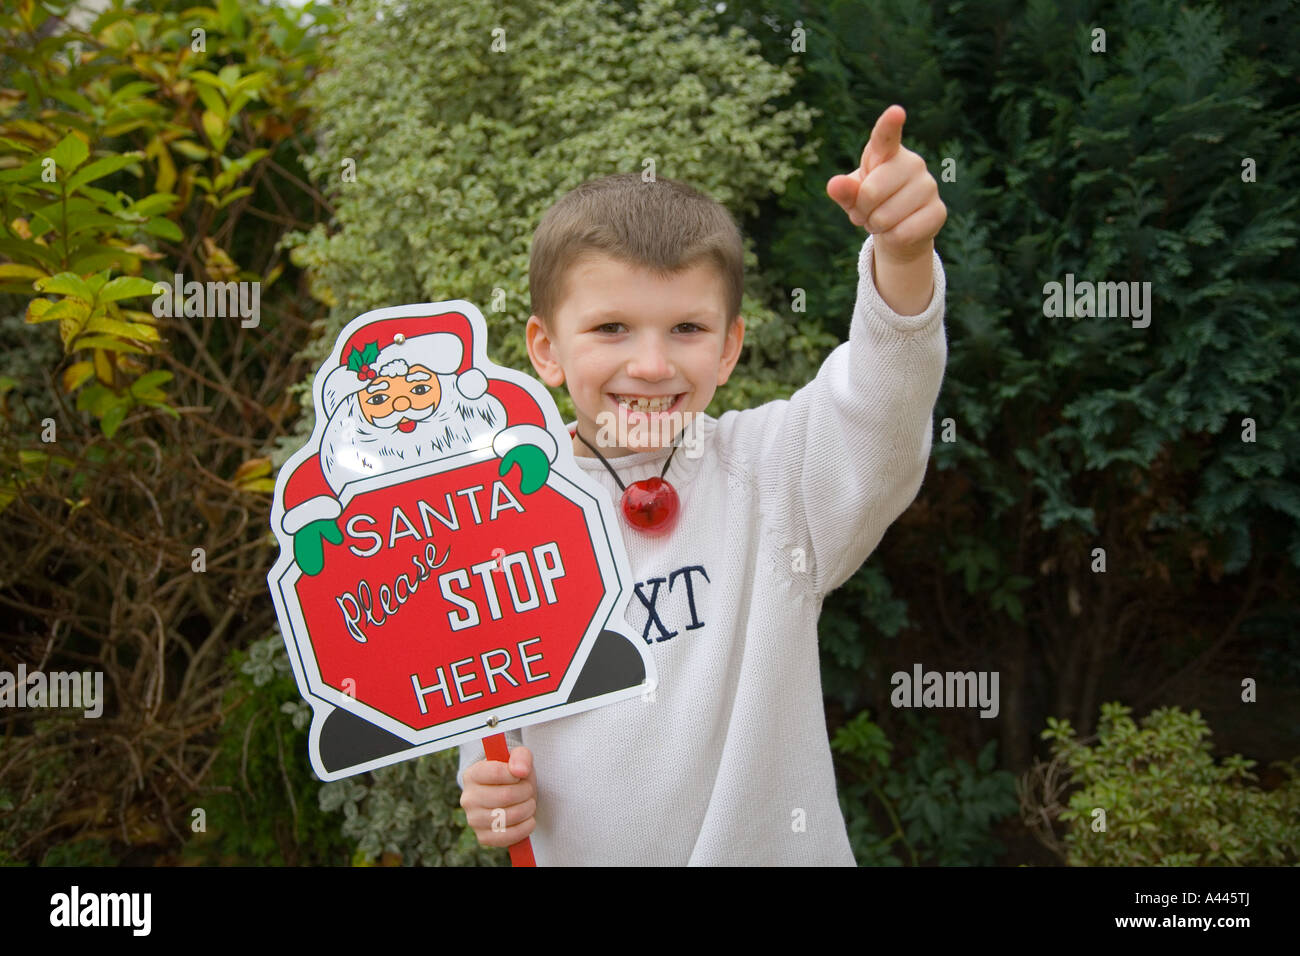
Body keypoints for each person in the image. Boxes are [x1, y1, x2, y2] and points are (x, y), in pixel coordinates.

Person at [457, 104, 948, 865]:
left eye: (686, 329)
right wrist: (488, 794)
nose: (651, 364)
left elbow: (884, 407)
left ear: (729, 348)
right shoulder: (491, 523)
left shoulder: (776, 476)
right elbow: (484, 729)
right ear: (545, 349)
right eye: (612, 328)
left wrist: (905, 256)